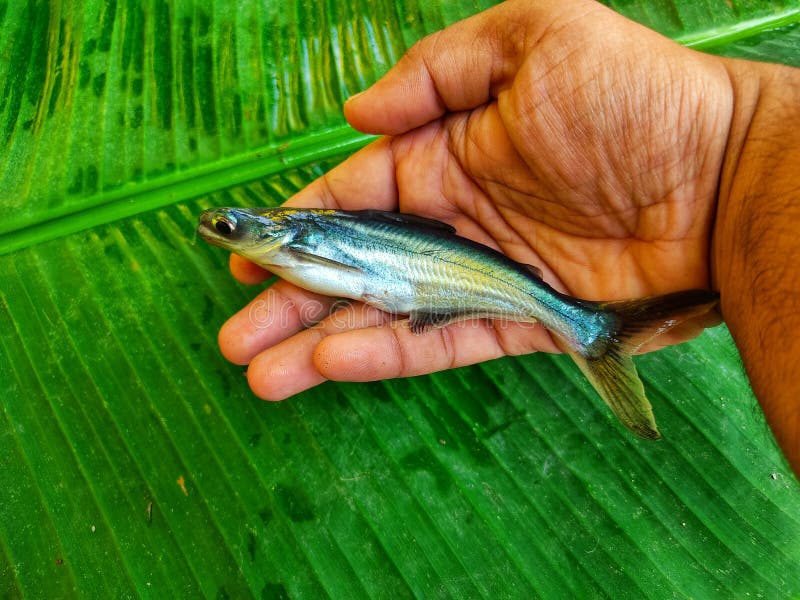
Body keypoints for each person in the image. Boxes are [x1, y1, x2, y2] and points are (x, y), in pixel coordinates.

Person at [217, 0, 800, 475]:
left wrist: (731, 144)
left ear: (274, 231)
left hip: (445, 274)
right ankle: (593, 329)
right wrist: (731, 144)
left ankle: (593, 330)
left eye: (229, 227)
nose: (226, 231)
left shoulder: (295, 234)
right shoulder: (296, 235)